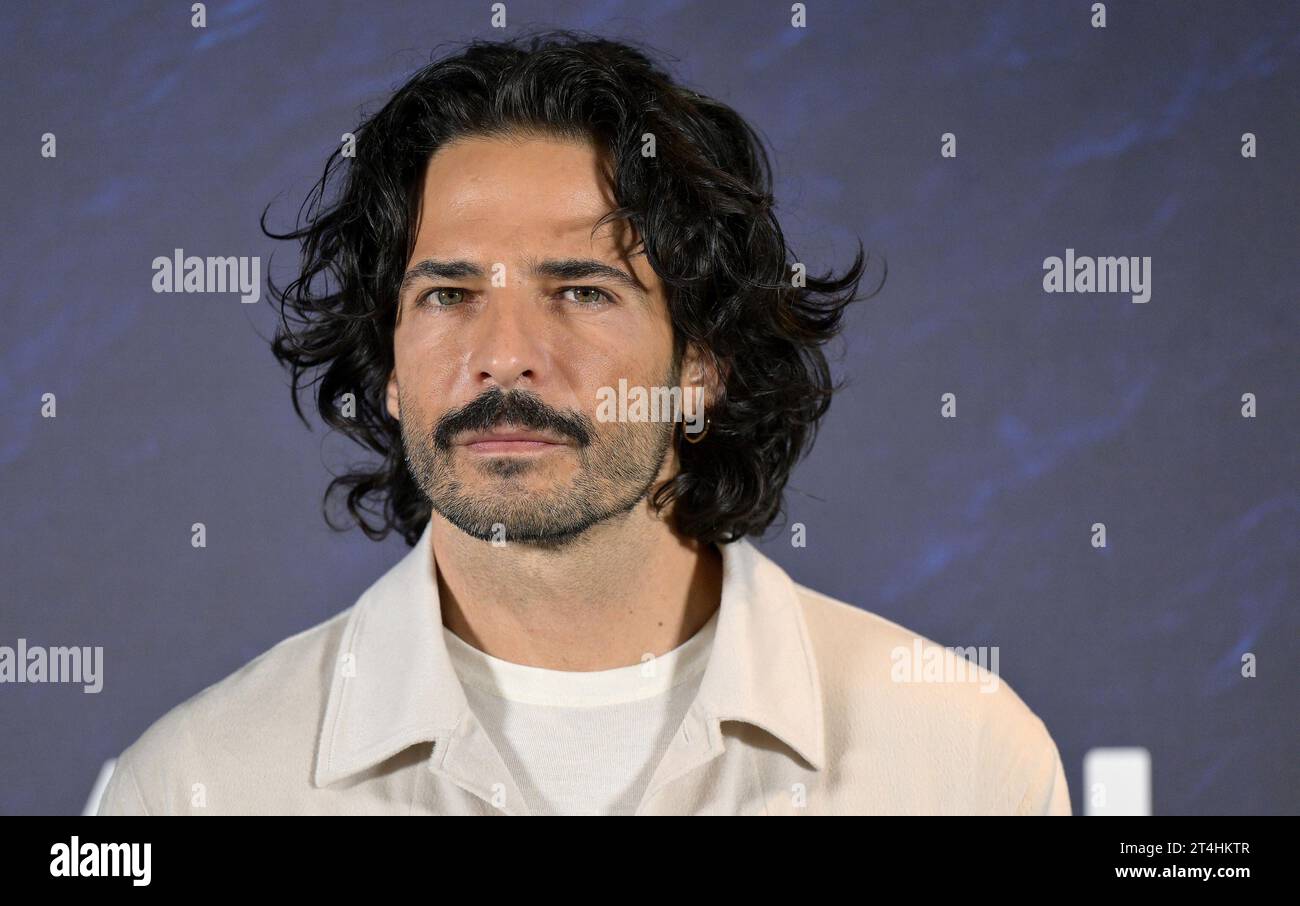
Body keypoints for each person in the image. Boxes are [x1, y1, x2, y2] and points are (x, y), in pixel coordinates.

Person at [98, 30, 1069, 815]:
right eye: (447, 293)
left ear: (702, 360)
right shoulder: (197, 789)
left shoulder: (958, 758)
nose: (505, 352)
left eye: (580, 291)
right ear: (387, 367)